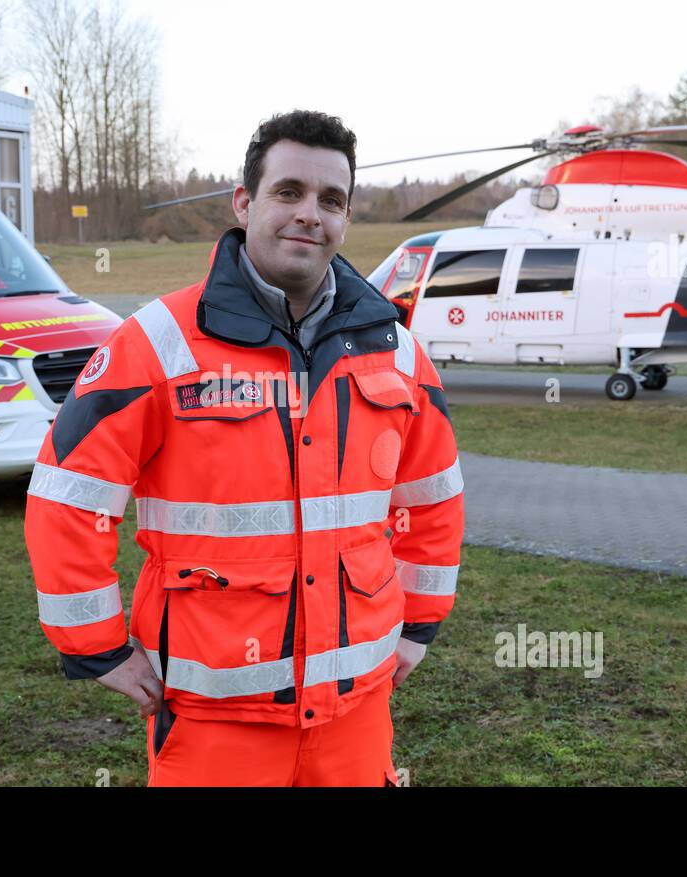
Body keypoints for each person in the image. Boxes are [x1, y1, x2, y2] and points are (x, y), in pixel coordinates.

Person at [25, 109, 464, 786]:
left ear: (346, 219)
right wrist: (99, 648)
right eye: (288, 192)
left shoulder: (394, 349)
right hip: (213, 723)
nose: (309, 215)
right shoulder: (159, 342)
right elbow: (68, 495)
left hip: (357, 713)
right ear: (244, 202)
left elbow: (433, 499)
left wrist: (419, 626)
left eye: (331, 200)